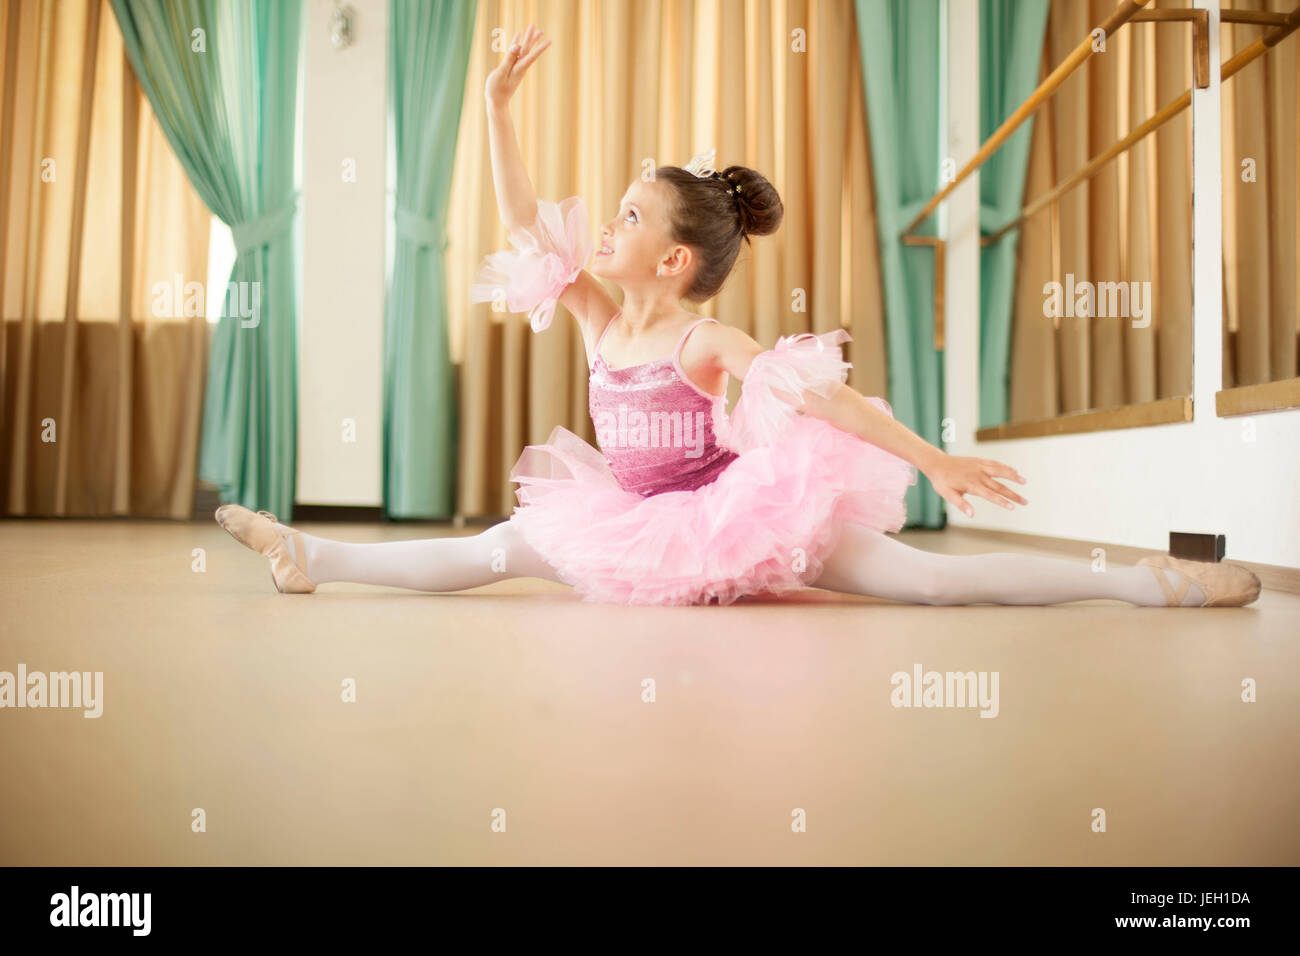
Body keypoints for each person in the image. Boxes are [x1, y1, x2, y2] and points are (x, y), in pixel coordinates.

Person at [215, 24, 1260, 609]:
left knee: (936, 588)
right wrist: (492, 109)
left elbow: (831, 402)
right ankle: (314, 553)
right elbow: (525, 220)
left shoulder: (703, 340)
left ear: (670, 258)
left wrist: (932, 462)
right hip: (628, 518)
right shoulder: (591, 312)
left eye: (624, 215)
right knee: (488, 548)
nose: (602, 222)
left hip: (742, 516)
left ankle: (1146, 584)